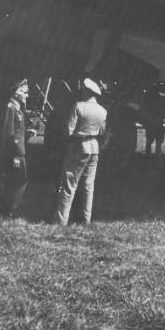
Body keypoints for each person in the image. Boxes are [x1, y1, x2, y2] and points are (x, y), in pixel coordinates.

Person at [53, 78, 108, 226]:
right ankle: (86, 219)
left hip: (78, 145)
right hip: (94, 147)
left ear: (86, 91)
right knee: (89, 185)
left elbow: (69, 130)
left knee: (69, 184)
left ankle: (61, 220)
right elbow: (102, 132)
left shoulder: (78, 106)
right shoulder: (103, 111)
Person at [0, 80, 30, 217]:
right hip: (16, 152)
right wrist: (15, 155)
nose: (27, 95)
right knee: (19, 181)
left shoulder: (17, 108)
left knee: (16, 180)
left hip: (19, 150)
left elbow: (18, 131)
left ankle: (9, 210)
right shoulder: (11, 107)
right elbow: (8, 132)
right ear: (16, 92)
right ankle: (8, 210)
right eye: (24, 91)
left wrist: (29, 133)